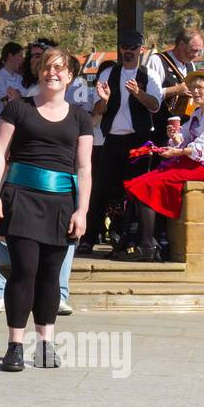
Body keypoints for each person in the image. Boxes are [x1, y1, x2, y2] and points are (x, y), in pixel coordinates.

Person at [0, 47, 92, 372]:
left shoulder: (80, 117)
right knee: (24, 270)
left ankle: (45, 344)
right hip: (21, 197)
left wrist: (82, 211)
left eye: (59, 68)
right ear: (39, 72)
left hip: (60, 203)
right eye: (46, 67)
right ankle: (15, 345)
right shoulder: (18, 108)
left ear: (70, 75)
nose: (52, 73)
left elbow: (84, 167)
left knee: (50, 275)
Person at [123, 69, 204, 262]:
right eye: (193, 87)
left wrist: (178, 152)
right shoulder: (198, 112)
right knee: (139, 183)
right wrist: (175, 138)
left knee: (146, 185)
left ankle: (147, 245)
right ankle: (148, 242)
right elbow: (185, 137)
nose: (195, 91)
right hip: (190, 161)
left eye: (200, 87)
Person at [79, 30, 161, 258]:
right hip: (113, 138)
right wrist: (104, 100)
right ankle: (88, 238)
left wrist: (138, 93)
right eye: (125, 47)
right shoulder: (109, 73)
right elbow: (98, 111)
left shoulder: (150, 74)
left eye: (133, 47)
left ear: (141, 50)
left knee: (140, 191)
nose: (128, 51)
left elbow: (155, 105)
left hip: (139, 139)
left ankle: (145, 242)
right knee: (100, 190)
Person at [0, 184, 75, 316]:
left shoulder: (45, 183)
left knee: (67, 240)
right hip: (5, 245)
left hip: (39, 245)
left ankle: (59, 296)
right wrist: (2, 230)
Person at [146, 28, 204, 146]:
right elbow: (148, 97)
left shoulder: (191, 65)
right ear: (181, 45)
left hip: (184, 133)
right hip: (161, 131)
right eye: (194, 50)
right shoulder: (157, 61)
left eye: (199, 51)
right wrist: (176, 90)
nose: (196, 55)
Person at [0, 42, 25, 107]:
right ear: (10, 56)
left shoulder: (19, 78)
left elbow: (26, 96)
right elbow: (2, 102)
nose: (22, 59)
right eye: (20, 56)